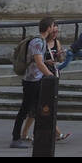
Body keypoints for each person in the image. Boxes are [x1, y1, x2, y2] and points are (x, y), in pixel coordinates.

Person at [11, 17, 56, 149]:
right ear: (48, 28)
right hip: (32, 81)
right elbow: (38, 63)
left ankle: (38, 137)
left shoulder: (41, 41)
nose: (54, 28)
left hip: (36, 79)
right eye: (53, 26)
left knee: (38, 110)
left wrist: (45, 65)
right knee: (25, 109)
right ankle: (15, 138)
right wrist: (50, 75)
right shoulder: (37, 41)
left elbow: (39, 61)